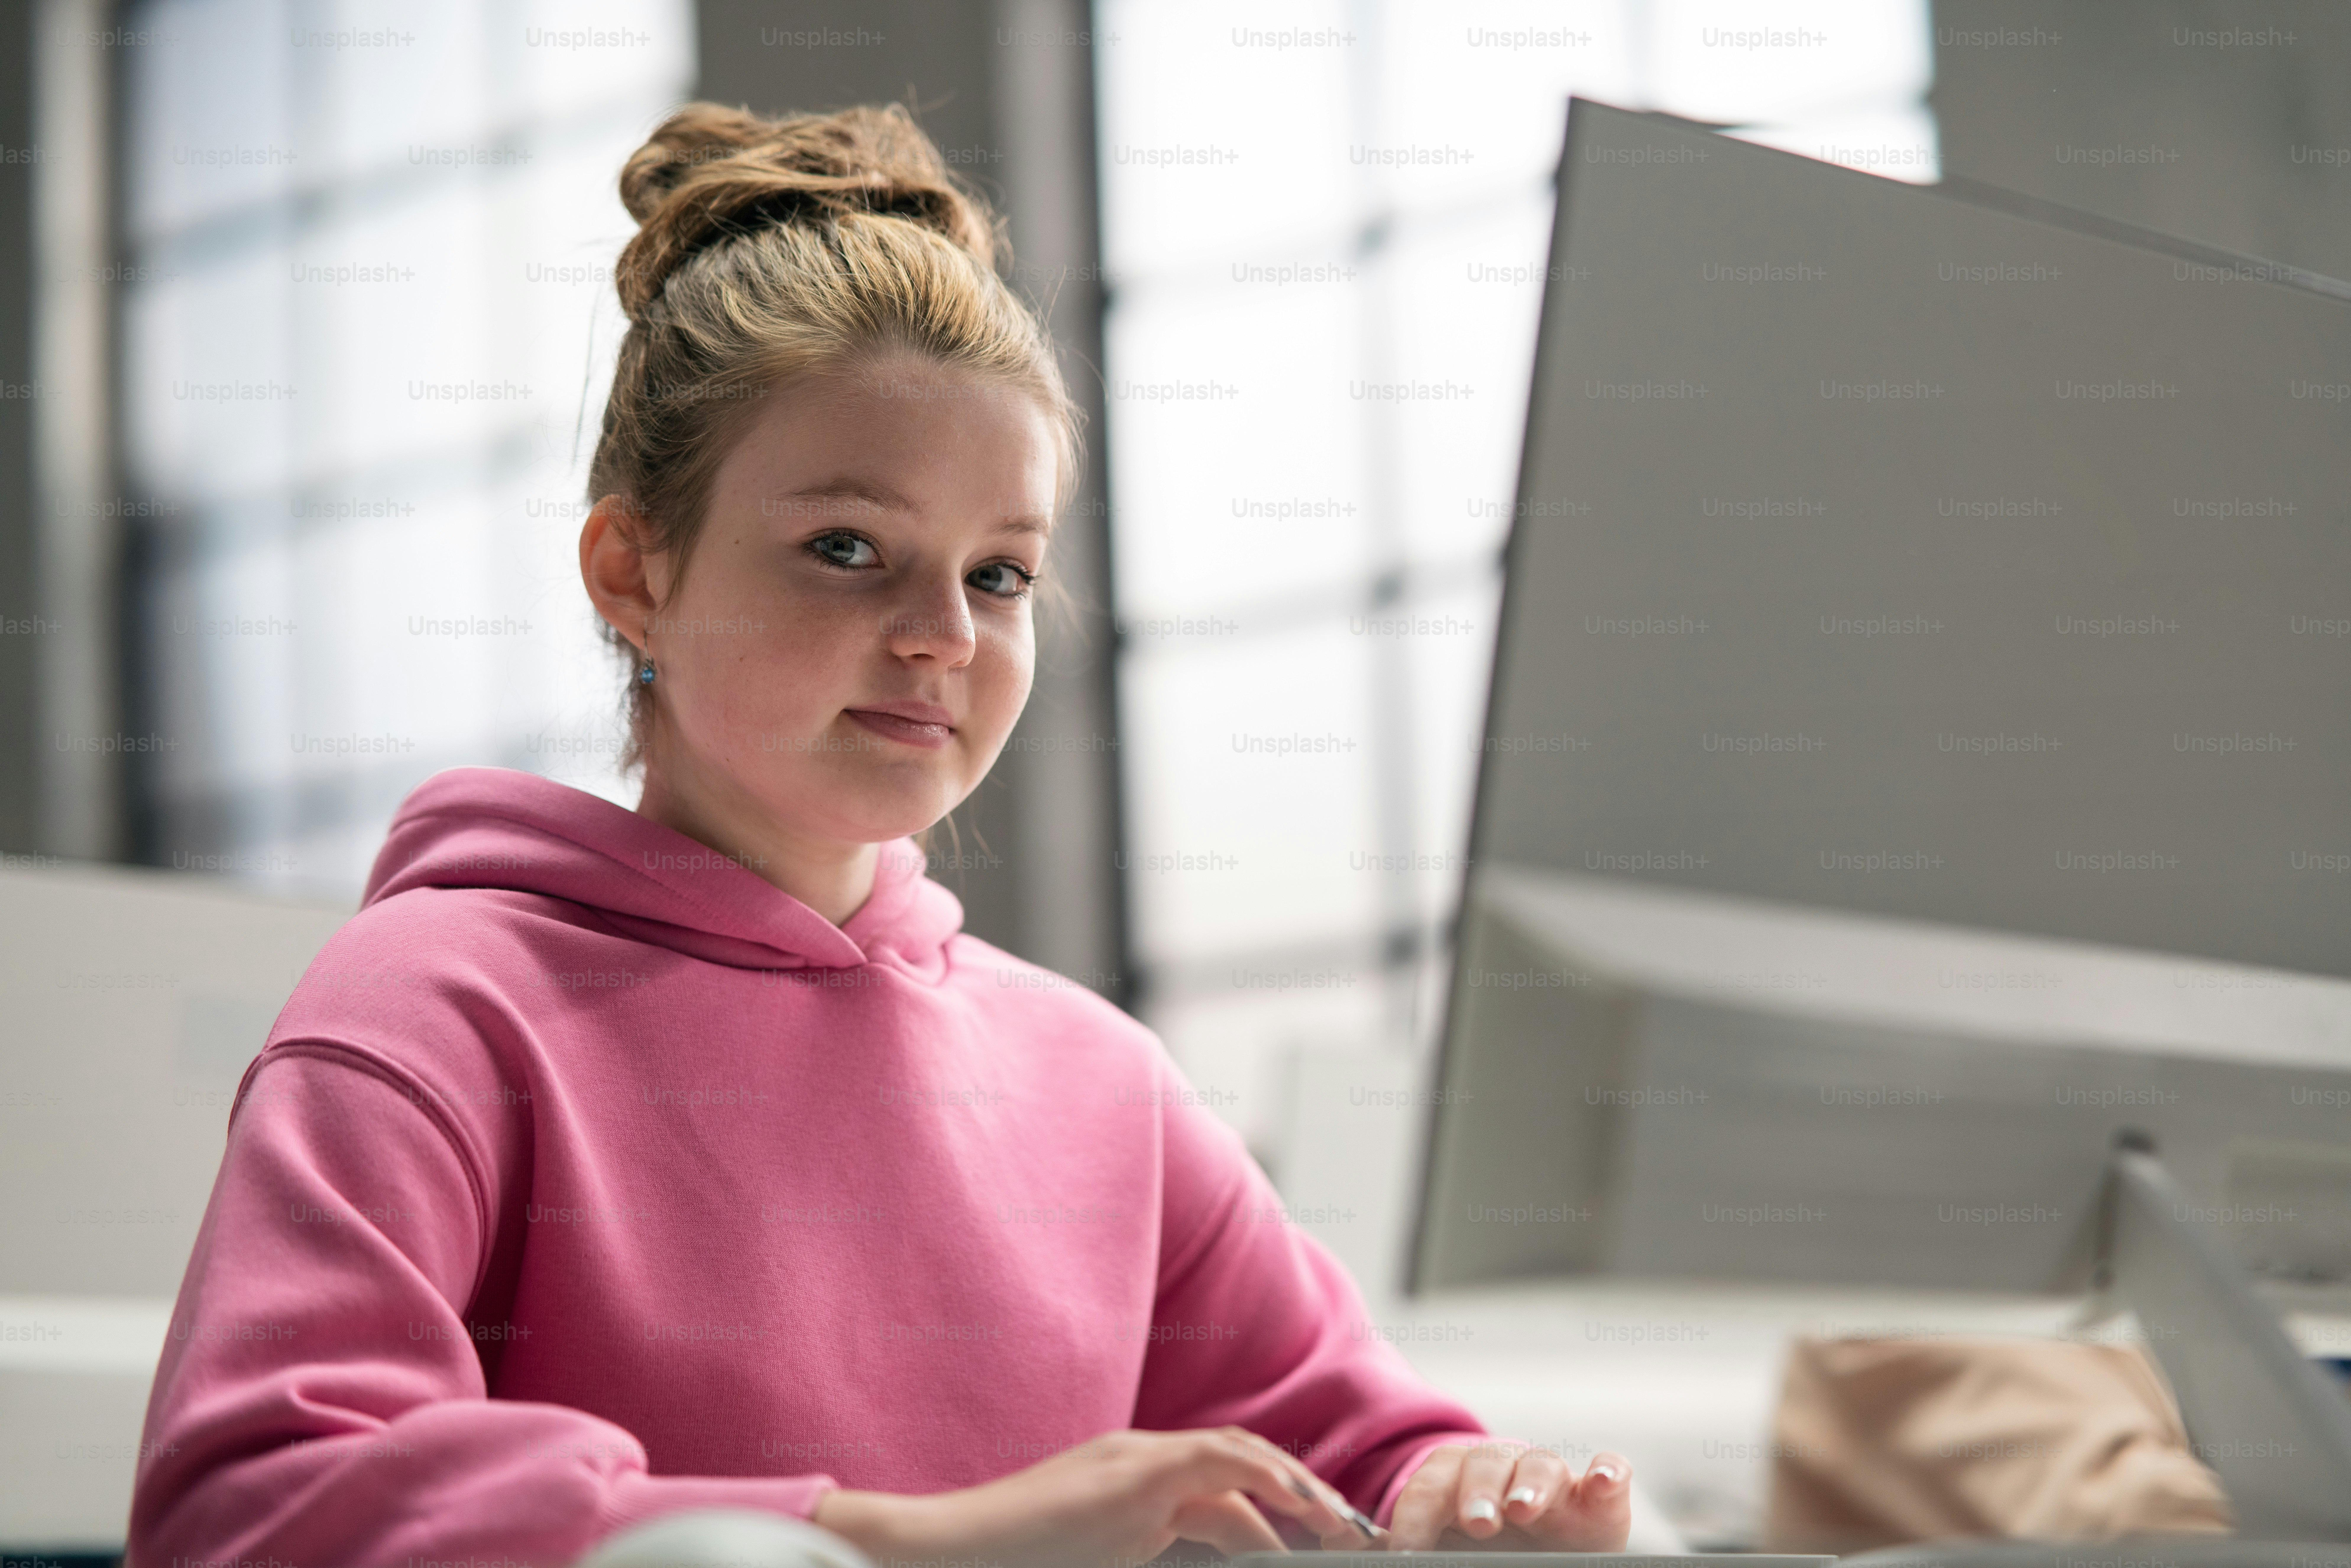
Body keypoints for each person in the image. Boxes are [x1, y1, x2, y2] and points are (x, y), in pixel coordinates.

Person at [126, 102, 1632, 1568]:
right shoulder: (432, 1007)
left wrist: (1459, 1487)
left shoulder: (1100, 1084)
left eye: (997, 575)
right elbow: (254, 1511)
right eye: (847, 550)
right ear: (631, 575)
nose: (939, 638)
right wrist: (889, 1541)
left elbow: (1350, 1442)